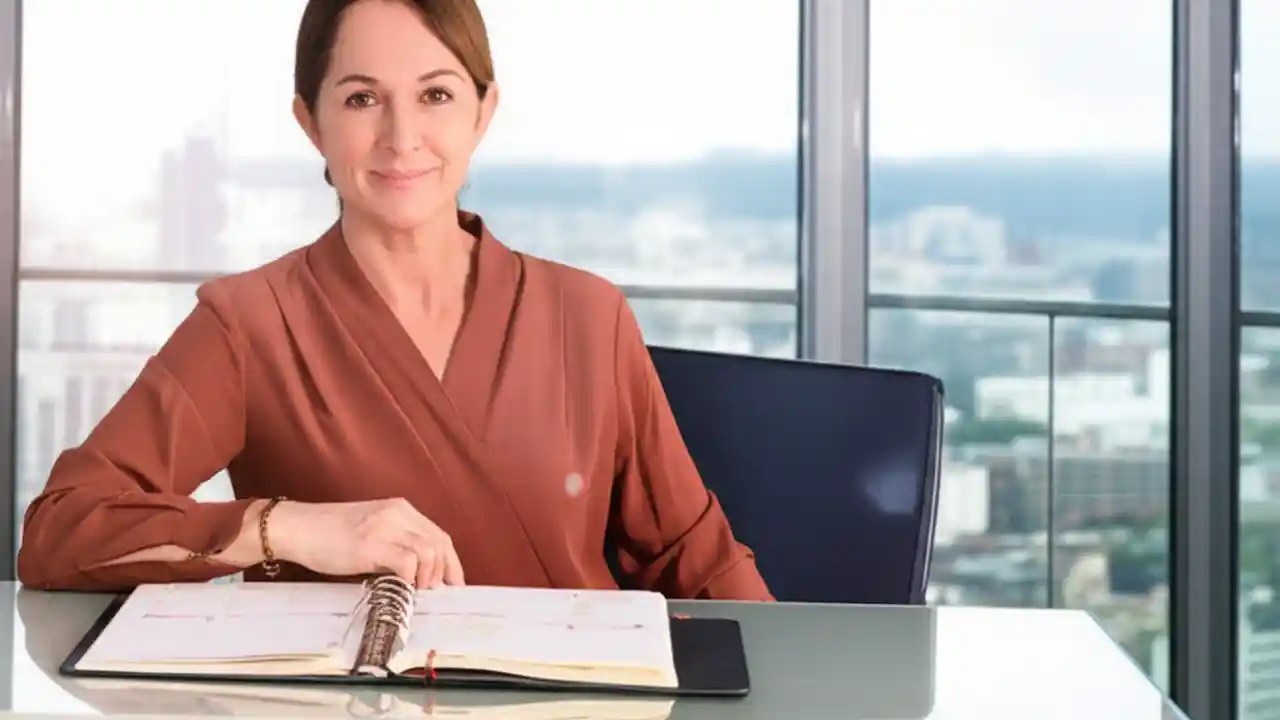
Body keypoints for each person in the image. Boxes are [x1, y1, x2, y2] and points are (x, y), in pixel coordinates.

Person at [16, 0, 772, 601]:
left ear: (483, 111)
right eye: (361, 98)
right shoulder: (249, 325)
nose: (401, 136)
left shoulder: (590, 315)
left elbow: (693, 559)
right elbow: (62, 531)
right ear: (310, 122)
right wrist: (287, 529)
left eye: (436, 94)